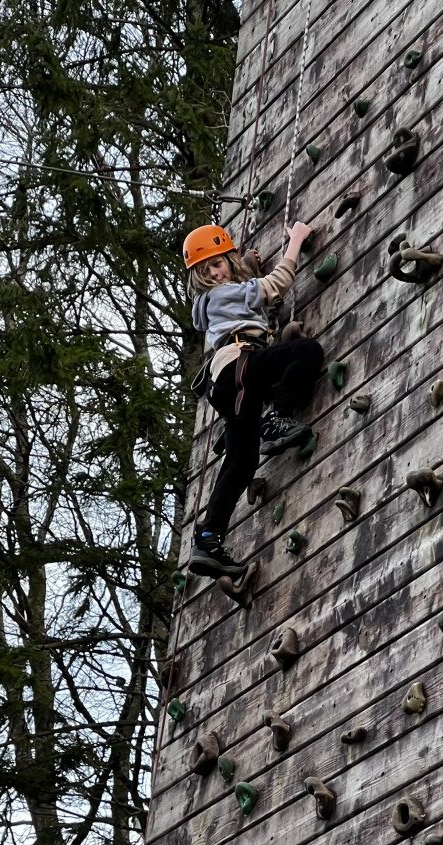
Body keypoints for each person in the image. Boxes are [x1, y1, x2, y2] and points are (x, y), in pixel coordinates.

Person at [184, 219, 325, 582]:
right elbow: (275, 285)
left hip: (230, 382)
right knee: (307, 352)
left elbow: (249, 294)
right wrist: (296, 241)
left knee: (243, 461)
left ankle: (209, 539)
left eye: (217, 264)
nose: (214, 273)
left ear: (229, 261)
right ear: (199, 278)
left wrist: (247, 264)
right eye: (206, 270)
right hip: (241, 365)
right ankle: (276, 417)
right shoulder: (222, 294)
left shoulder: (219, 299)